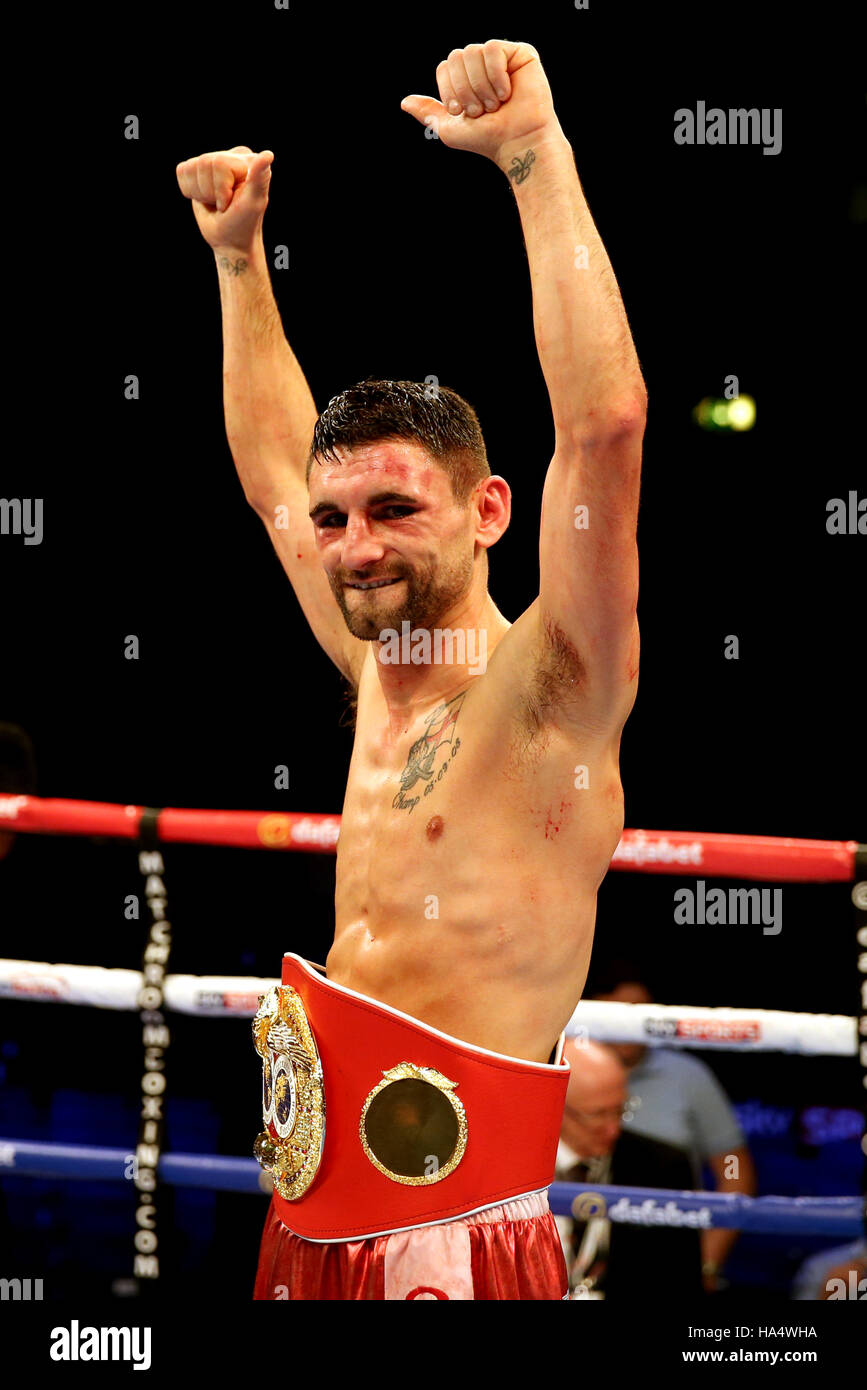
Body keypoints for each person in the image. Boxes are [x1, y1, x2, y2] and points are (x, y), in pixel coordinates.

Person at [176, 38, 647, 1300]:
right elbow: (277, 471)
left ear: (491, 510)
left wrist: (536, 160)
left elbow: (602, 431)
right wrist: (237, 262)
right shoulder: (374, 657)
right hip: (308, 1220)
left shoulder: (551, 686)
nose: (353, 546)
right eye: (340, 522)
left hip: (462, 1236)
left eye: (394, 508)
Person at [587, 960, 757, 1293]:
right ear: (593, 1013)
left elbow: (734, 1171)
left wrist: (706, 1261)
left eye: (641, 1014)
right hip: (577, 1246)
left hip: (666, 1252)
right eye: (620, 1014)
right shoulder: (563, 1069)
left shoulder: (688, 1076)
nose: (630, 1026)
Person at [555, 1040, 703, 1299]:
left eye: (620, 1110)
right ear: (556, 1106)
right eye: (598, 1114)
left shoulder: (664, 1166)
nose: (613, 1129)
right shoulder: (509, 1165)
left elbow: (681, 1281)